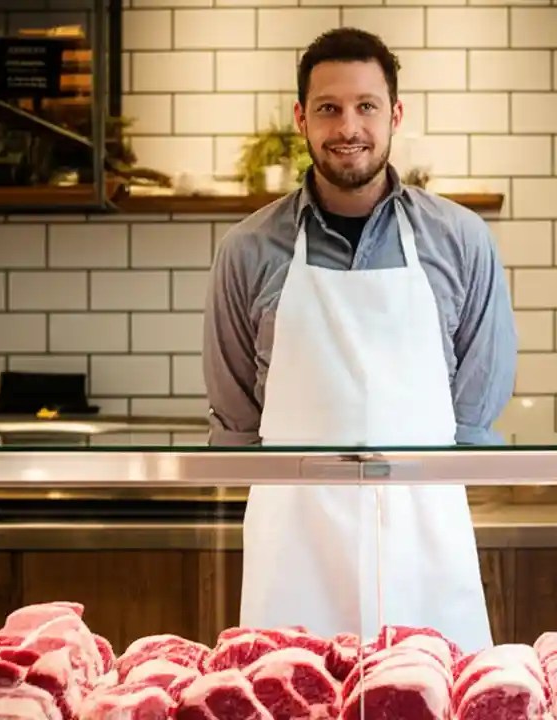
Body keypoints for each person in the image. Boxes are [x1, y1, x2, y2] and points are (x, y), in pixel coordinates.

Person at [201, 27, 517, 653]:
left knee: (432, 694)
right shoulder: (246, 251)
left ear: (394, 114)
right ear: (302, 118)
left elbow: (474, 417)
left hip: (424, 544)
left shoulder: (461, 240)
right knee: (290, 695)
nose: (349, 126)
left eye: (366, 106)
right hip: (295, 549)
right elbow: (237, 424)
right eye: (329, 108)